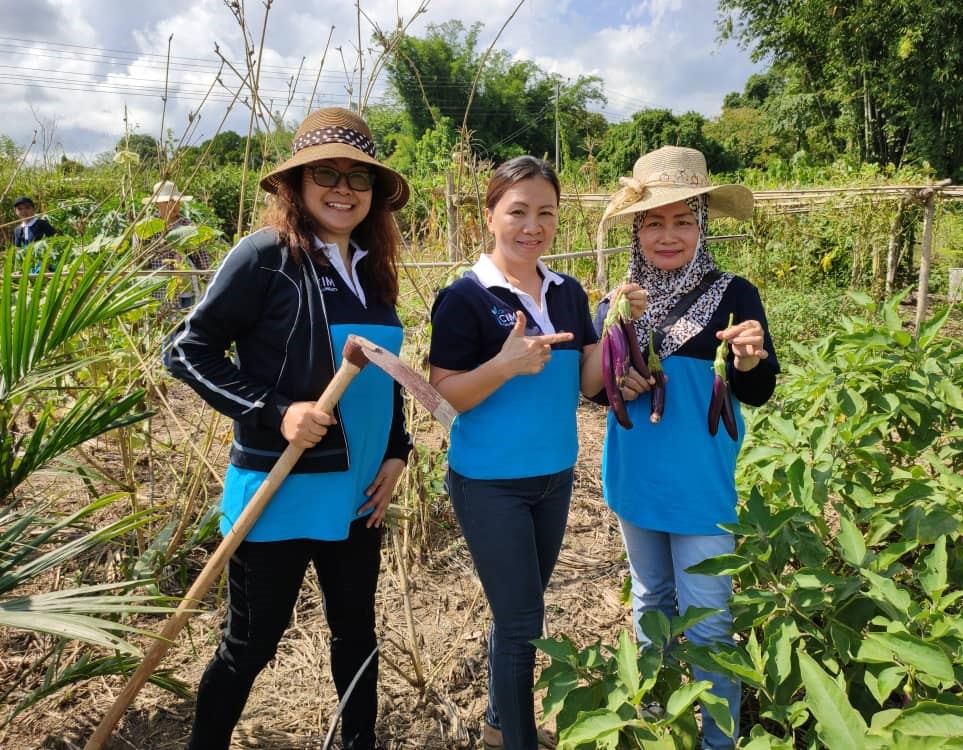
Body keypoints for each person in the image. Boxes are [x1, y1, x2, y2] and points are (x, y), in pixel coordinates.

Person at [163, 106, 412, 750]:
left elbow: (382, 374)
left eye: (359, 179)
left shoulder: (371, 268)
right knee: (252, 643)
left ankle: (358, 740)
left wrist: (396, 452)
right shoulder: (267, 256)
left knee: (356, 628)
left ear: (374, 195)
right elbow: (187, 350)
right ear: (296, 184)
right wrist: (279, 412)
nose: (343, 189)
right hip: (280, 487)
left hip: (358, 490)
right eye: (325, 172)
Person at [428, 156, 646, 750]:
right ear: (489, 215)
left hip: (554, 476)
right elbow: (441, 400)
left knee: (516, 613)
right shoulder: (464, 299)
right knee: (525, 623)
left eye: (545, 212)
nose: (532, 225)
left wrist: (619, 326)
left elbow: (589, 384)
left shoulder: (569, 292)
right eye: (517, 211)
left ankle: (501, 725)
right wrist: (502, 366)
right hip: (489, 483)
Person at [594, 145, 778, 749]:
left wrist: (750, 358)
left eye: (683, 219)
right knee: (651, 599)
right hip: (635, 477)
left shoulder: (735, 294)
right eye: (654, 221)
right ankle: (658, 718)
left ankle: (717, 740)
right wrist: (619, 367)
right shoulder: (617, 303)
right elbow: (600, 391)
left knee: (709, 620)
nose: (668, 234)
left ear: (703, 223)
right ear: (637, 231)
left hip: (702, 483)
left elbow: (757, 389)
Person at [142, 180, 212, 304]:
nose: (174, 205)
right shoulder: (146, 228)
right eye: (168, 201)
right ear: (157, 204)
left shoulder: (188, 225)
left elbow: (202, 258)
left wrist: (210, 283)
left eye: (177, 201)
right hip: (161, 293)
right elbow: (139, 262)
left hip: (188, 290)